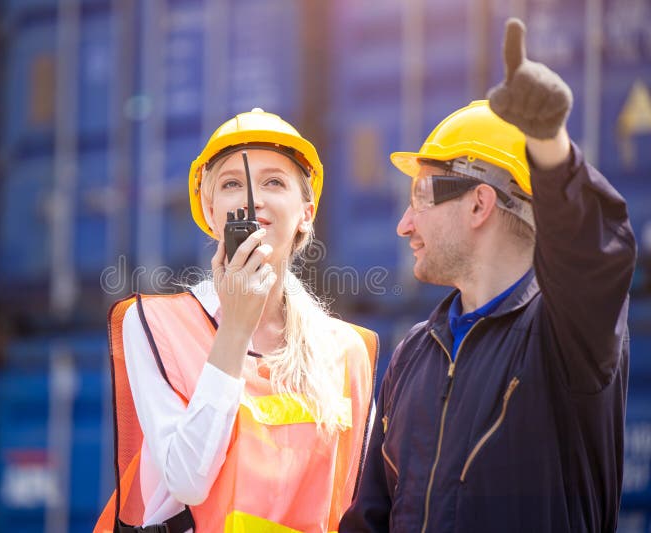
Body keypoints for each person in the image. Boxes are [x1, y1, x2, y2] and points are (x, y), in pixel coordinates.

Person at [340, 18, 636, 533]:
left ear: (479, 203)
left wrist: (552, 150)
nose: (403, 224)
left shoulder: (567, 339)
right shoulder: (414, 353)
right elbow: (370, 519)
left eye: (419, 198)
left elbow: (595, 259)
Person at [94, 108, 379, 533]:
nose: (252, 199)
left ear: (306, 211)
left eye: (274, 183)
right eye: (231, 184)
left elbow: (358, 506)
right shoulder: (154, 325)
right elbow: (188, 481)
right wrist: (235, 329)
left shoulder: (348, 352)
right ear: (210, 211)